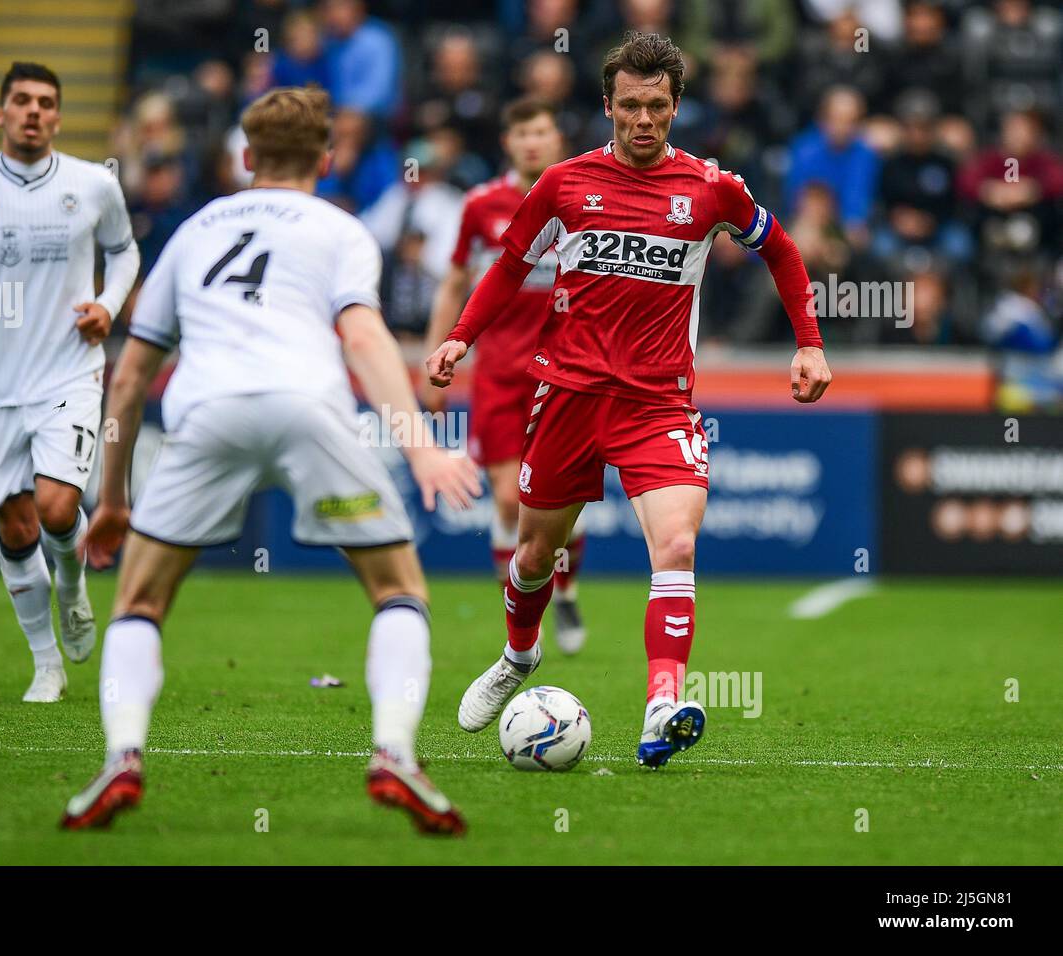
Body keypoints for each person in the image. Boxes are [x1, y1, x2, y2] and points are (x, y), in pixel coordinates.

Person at [62, 86, 481, 835]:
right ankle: (395, 753)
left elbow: (129, 377)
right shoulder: (341, 229)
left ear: (246, 158)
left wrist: (113, 499)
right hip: (309, 408)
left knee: (139, 605)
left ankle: (121, 759)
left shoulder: (192, 232)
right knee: (398, 591)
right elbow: (362, 338)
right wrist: (420, 449)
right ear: (326, 158)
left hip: (208, 414)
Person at [426, 31, 831, 768]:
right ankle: (519, 657)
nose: (644, 120)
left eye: (658, 107)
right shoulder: (563, 185)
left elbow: (780, 248)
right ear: (607, 105)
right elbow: (508, 266)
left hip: (658, 404)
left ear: (676, 107)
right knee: (534, 553)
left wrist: (809, 341)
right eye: (631, 106)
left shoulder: (713, 188)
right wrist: (460, 337)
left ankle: (661, 705)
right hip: (568, 395)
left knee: (675, 545)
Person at [0, 62, 140, 702]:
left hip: (70, 369)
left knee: (57, 507)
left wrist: (109, 305)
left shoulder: (94, 185)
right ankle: (46, 665)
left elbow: (125, 251)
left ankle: (70, 586)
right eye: (21, 100)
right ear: (0, 113)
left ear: (59, 117)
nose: (33, 111)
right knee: (15, 528)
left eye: (45, 102)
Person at [422, 97, 590, 654]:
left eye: (541, 131)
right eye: (522, 133)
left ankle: (562, 592)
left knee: (563, 501)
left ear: (556, 140)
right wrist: (440, 348)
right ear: (508, 142)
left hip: (569, 373)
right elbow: (453, 282)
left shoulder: (585, 198)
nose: (532, 142)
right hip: (499, 374)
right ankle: (522, 627)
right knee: (508, 500)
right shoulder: (481, 206)